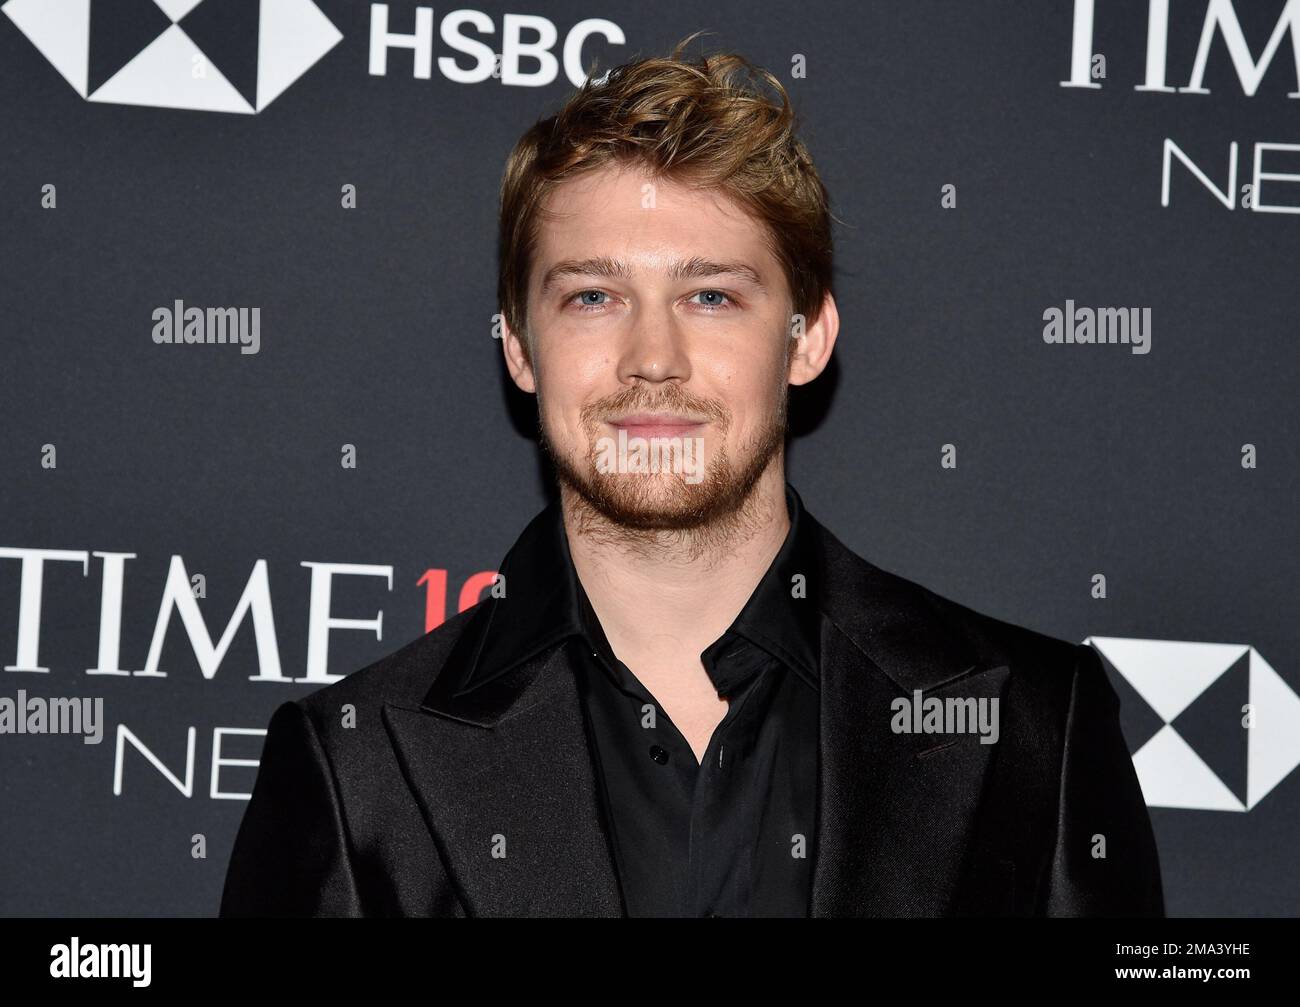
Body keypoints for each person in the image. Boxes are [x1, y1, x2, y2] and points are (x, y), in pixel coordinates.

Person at [220, 33, 1163, 918]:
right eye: (594, 296)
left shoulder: (1033, 724)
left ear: (809, 338)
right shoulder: (358, 767)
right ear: (517, 346)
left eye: (710, 296)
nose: (653, 358)